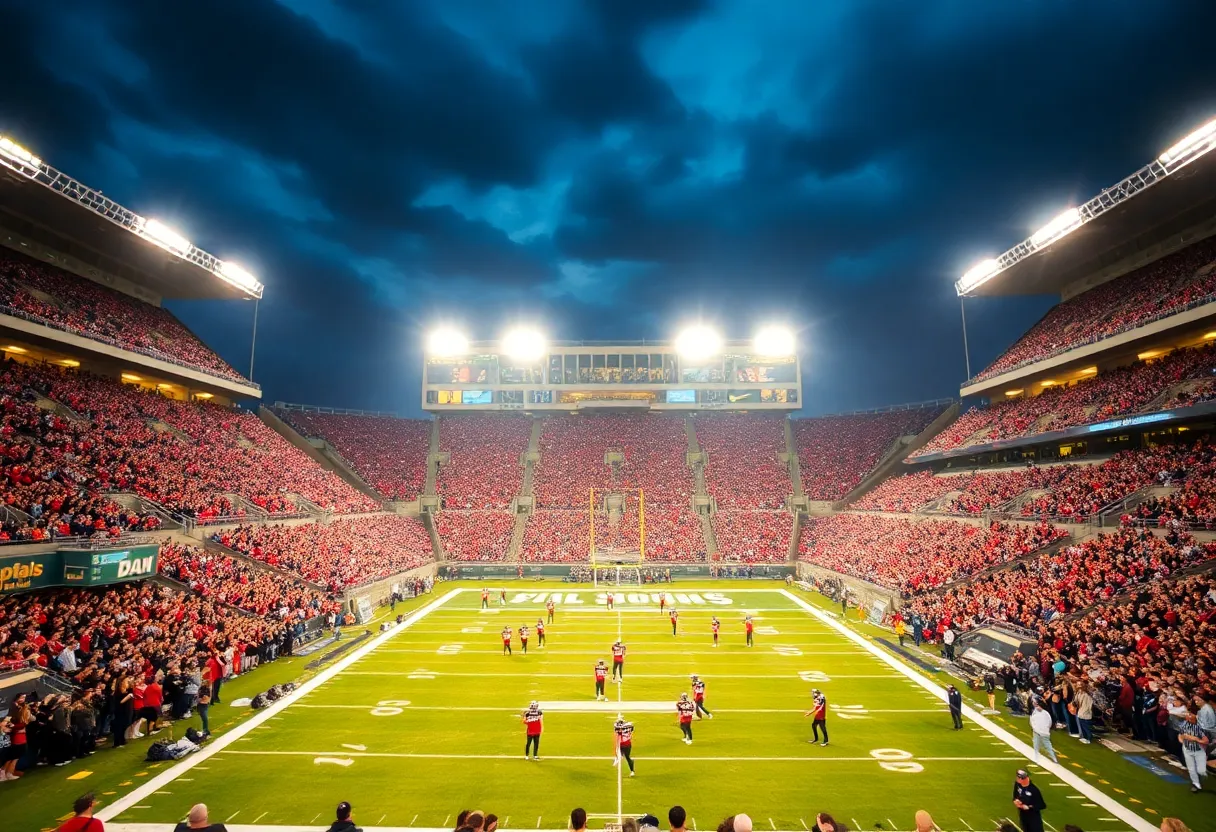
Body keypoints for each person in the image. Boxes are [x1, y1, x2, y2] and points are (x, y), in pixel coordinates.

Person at [1173, 703, 1209, 793]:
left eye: (1190, 714)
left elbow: (1206, 741)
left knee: (1201, 770)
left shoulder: (1201, 727)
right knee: (1191, 768)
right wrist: (1181, 740)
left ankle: (1200, 778)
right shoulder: (1185, 724)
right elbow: (1180, 734)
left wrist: (1195, 739)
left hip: (1199, 750)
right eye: (1188, 714)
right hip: (1187, 749)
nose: (1188, 716)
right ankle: (1195, 784)